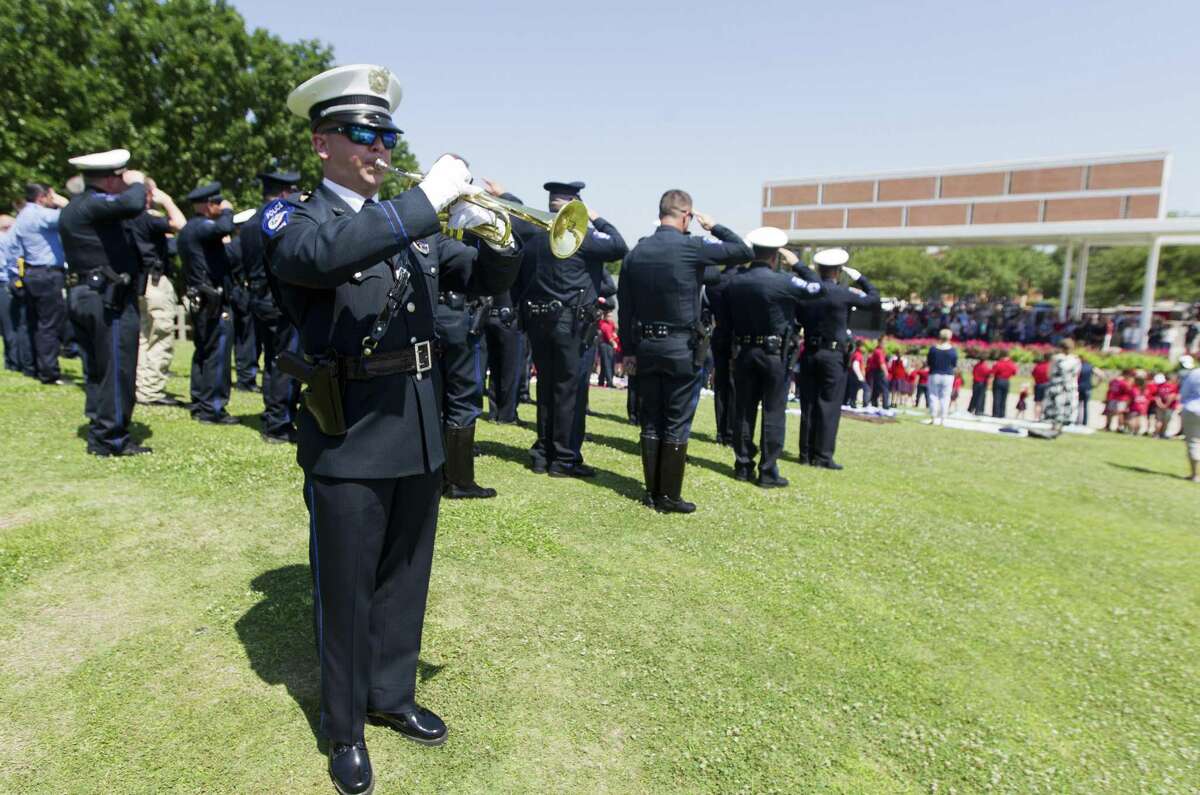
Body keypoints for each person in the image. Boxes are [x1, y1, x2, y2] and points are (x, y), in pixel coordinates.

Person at [263, 64, 517, 795]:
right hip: (349, 429)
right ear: (322, 145)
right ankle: (342, 726)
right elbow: (322, 260)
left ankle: (390, 693)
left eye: (387, 133)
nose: (380, 146)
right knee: (346, 587)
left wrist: (494, 236)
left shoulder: (409, 224)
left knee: (406, 575)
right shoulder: (302, 220)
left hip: (415, 423)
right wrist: (425, 200)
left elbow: (480, 279)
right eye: (364, 134)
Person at [618, 189, 751, 511]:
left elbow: (625, 309)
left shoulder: (636, 252)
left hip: (646, 345)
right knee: (676, 421)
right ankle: (669, 496)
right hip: (681, 347)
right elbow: (742, 251)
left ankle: (652, 493)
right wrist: (715, 227)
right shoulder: (692, 247)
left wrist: (629, 351)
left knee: (651, 420)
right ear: (686, 215)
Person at [514, 180, 628, 477]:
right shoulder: (579, 235)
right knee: (569, 391)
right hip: (571, 324)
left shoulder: (533, 233)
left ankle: (543, 452)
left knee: (548, 388)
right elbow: (619, 245)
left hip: (538, 321)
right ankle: (564, 459)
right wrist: (595, 217)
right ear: (574, 204)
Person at [57, 149, 151, 456]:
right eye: (121, 177)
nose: (125, 182)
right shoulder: (95, 204)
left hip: (86, 294)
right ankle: (111, 438)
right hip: (106, 301)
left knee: (97, 368)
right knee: (116, 365)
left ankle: (101, 427)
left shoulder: (76, 207)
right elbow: (135, 203)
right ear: (110, 180)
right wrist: (138, 182)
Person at [721, 226, 821, 487]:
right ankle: (767, 471)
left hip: (743, 351)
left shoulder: (736, 280)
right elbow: (817, 288)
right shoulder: (783, 281)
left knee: (744, 410)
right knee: (774, 410)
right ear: (776, 255)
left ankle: (743, 466)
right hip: (774, 354)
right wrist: (798, 264)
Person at [234, 170, 304, 443]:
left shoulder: (251, 221)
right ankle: (279, 423)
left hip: (259, 297)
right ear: (286, 192)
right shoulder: (280, 217)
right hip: (279, 300)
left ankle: (274, 414)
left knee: (273, 362)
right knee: (287, 361)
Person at [794, 247, 880, 469]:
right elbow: (873, 298)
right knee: (829, 405)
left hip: (810, 352)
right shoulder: (842, 293)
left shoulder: (808, 292)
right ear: (839, 271)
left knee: (809, 403)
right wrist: (860, 277)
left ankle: (805, 453)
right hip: (833, 355)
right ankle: (822, 456)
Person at [178, 181, 237, 425]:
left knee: (203, 351)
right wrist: (229, 210)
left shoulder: (189, 229)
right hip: (212, 299)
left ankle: (199, 399)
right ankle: (212, 407)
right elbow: (225, 226)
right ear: (208, 205)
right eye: (216, 203)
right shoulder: (202, 226)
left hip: (201, 297)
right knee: (217, 354)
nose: (219, 207)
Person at [129, 177, 186, 406]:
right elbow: (181, 224)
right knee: (159, 336)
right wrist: (168, 201)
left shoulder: (125, 219)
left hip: (138, 283)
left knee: (144, 338)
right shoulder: (147, 218)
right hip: (155, 282)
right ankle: (151, 391)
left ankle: (141, 386)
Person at [12, 183, 70, 384]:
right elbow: (71, 217)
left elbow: (12, 245)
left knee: (33, 322)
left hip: (30, 272)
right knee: (50, 325)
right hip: (48, 273)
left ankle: (32, 367)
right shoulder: (42, 215)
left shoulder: (22, 216)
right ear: (43, 197)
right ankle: (49, 372)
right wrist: (65, 202)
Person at [706, 252, 745, 445]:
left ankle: (722, 431)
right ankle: (731, 432)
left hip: (720, 334)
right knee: (735, 386)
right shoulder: (741, 282)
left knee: (721, 385)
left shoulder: (715, 282)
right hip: (738, 337)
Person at [226, 208, 262, 393]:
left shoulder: (232, 245)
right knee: (248, 338)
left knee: (242, 337)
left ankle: (245, 374)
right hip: (246, 293)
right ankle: (246, 377)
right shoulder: (245, 244)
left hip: (236, 291)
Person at [481, 282, 522, 424]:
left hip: (489, 314)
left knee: (495, 369)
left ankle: (494, 412)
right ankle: (507, 415)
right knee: (510, 371)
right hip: (509, 317)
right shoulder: (518, 262)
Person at [1041, 338, 1081, 431]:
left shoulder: (1056, 358)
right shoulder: (1076, 359)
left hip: (1056, 386)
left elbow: (1049, 373)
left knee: (1055, 407)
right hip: (1070, 386)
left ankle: (1054, 426)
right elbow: (1076, 374)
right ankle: (1062, 426)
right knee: (1066, 408)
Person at [926, 328, 957, 426]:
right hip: (948, 375)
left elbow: (929, 362)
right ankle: (943, 419)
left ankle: (933, 417)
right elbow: (954, 364)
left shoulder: (933, 349)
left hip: (935, 374)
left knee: (933, 396)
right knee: (945, 397)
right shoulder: (952, 350)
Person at [1177, 356, 1200, 482]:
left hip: (1193, 409)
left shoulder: (1194, 374)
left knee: (1194, 442)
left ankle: (1195, 474)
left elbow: (1184, 393)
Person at [0, 215, 18, 371]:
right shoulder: (4, 241)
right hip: (4, 284)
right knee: (11, 325)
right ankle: (13, 361)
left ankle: (10, 360)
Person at [991, 353, 1018, 418]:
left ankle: (996, 414)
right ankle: (1002, 414)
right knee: (1004, 398)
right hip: (1006, 381)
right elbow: (1014, 372)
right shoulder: (1011, 364)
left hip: (998, 380)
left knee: (997, 397)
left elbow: (993, 371)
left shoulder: (999, 363)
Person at [1153, 371, 1178, 438]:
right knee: (1165, 421)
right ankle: (1162, 434)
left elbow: (1157, 396)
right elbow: (1172, 396)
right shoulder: (1174, 386)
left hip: (1159, 407)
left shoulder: (1160, 385)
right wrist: (1166, 405)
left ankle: (1156, 434)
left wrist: (1160, 404)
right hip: (1169, 407)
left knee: (1159, 421)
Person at [596, 308, 617, 388]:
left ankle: (601, 381)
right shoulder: (604, 325)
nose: (610, 318)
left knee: (605, 364)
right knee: (608, 363)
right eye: (608, 316)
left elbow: (613, 329)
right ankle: (609, 382)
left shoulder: (609, 323)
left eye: (611, 316)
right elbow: (609, 337)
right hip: (606, 345)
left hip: (605, 345)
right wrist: (614, 344)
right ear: (604, 316)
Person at [865, 341, 889, 409]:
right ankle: (885, 405)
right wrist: (886, 372)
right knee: (884, 389)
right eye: (884, 343)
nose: (885, 345)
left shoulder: (877, 351)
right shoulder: (879, 352)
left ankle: (874, 403)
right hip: (879, 371)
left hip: (875, 372)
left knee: (876, 388)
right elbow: (881, 363)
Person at [1076, 356, 1096, 426]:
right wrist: (1095, 385)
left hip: (1079, 387)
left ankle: (1077, 421)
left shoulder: (1079, 367)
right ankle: (1085, 422)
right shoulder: (1091, 367)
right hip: (1087, 388)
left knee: (1077, 405)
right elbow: (1101, 375)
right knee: (1085, 406)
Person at [1031, 355, 1051, 420]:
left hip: (1038, 385)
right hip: (1047, 385)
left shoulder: (1038, 366)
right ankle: (1044, 417)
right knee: (1046, 402)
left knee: (1038, 402)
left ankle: (1036, 417)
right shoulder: (1050, 367)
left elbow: (1033, 374)